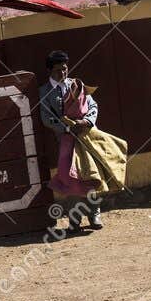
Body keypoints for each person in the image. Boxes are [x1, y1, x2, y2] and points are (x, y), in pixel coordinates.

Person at [39, 50, 104, 233]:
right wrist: (66, 128)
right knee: (70, 178)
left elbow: (92, 105)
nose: (63, 74)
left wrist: (87, 121)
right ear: (50, 71)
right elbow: (46, 118)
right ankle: (75, 219)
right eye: (59, 70)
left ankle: (95, 214)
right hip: (65, 140)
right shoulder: (44, 92)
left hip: (84, 136)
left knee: (90, 175)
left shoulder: (76, 85)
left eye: (65, 69)